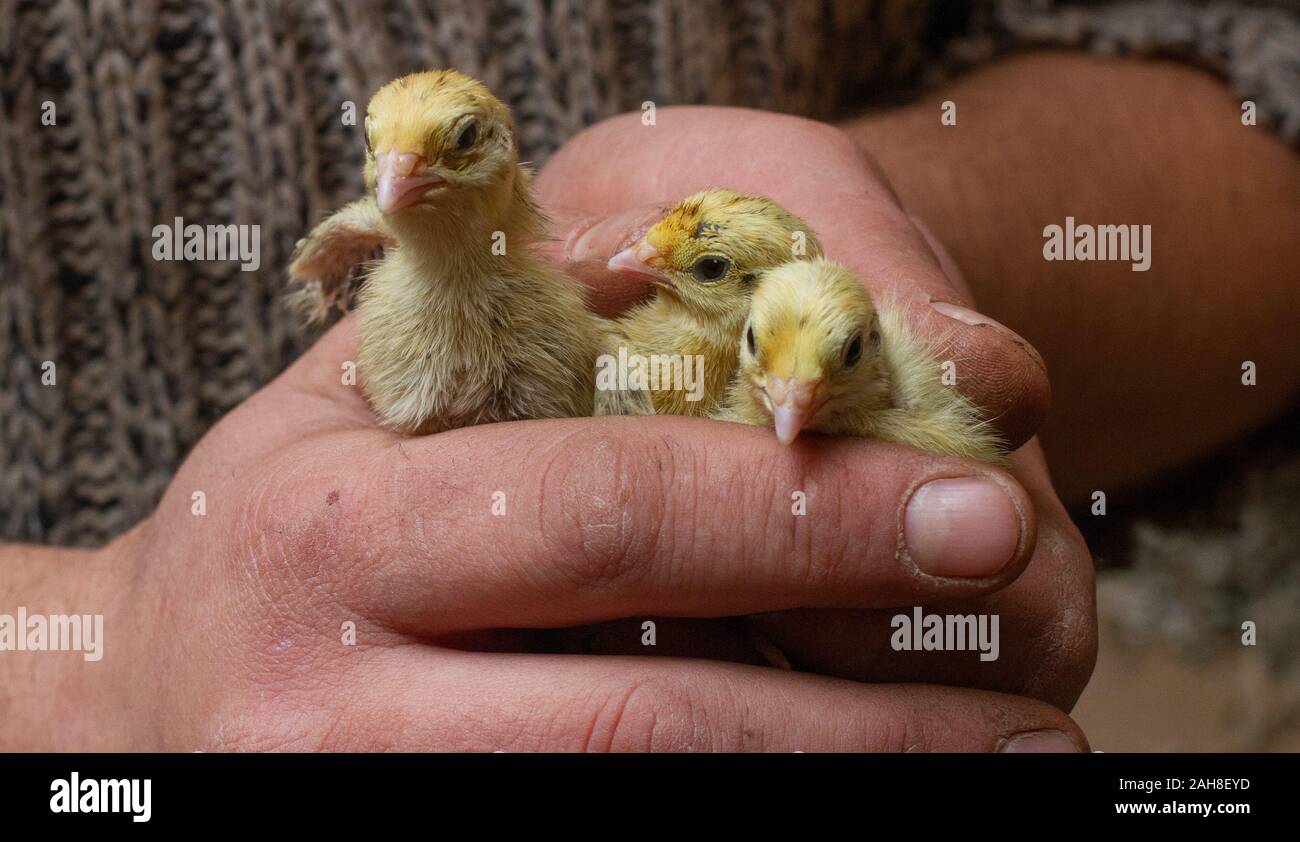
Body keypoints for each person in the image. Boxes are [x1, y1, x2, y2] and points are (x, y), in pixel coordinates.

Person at [1, 2, 1296, 751]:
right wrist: (98, 663)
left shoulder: (619, 327)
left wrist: (892, 247)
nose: (398, 185)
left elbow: (1252, 73)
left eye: (449, 151)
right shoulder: (416, 265)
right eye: (385, 165)